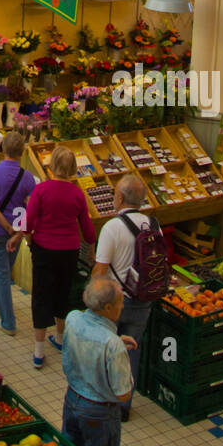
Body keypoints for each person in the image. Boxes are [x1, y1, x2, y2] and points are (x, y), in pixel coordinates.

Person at [9, 144, 95, 368]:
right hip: (69, 251)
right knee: (62, 292)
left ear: (52, 165)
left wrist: (24, 238)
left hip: (44, 249)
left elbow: (28, 222)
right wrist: (92, 246)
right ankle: (59, 338)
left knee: (40, 295)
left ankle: (38, 351)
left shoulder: (42, 190)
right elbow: (87, 229)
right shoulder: (77, 193)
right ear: (74, 167)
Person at [92, 173, 156, 420]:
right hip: (143, 299)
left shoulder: (112, 227)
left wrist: (91, 297)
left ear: (119, 197)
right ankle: (124, 406)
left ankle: (105, 402)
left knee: (108, 350)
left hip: (114, 302)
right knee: (131, 351)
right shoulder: (153, 224)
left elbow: (100, 268)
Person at [61, 276, 136, 446]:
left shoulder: (73, 319)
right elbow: (123, 394)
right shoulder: (113, 346)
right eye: (121, 301)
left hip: (72, 401)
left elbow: (88, 339)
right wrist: (120, 354)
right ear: (109, 307)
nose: (123, 305)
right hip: (100, 414)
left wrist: (116, 341)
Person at [0, 128, 35, 336]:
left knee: (2, 273)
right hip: (16, 233)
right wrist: (18, 232)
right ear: (22, 151)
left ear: (3, 148)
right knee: (5, 269)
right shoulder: (27, 177)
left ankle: (8, 321)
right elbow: (30, 209)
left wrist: (7, 227)